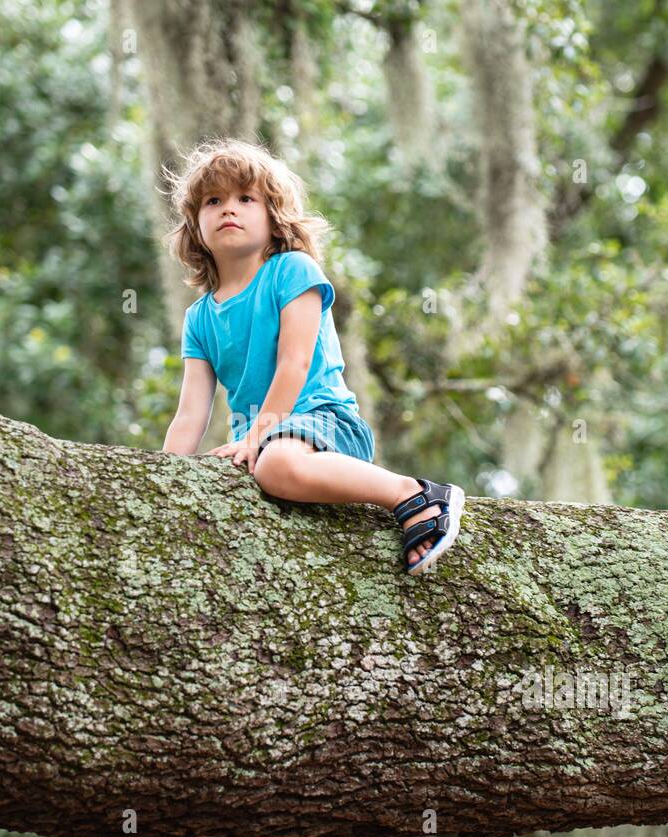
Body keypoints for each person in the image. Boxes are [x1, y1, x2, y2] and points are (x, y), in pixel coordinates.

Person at [160, 137, 464, 575]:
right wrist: (166, 476)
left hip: (323, 421)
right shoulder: (199, 318)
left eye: (246, 198)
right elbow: (190, 415)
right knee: (258, 466)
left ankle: (416, 495)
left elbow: (294, 363)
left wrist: (258, 436)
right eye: (213, 200)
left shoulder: (292, 271)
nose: (229, 208)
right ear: (196, 226)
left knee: (276, 465)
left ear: (273, 218)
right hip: (259, 444)